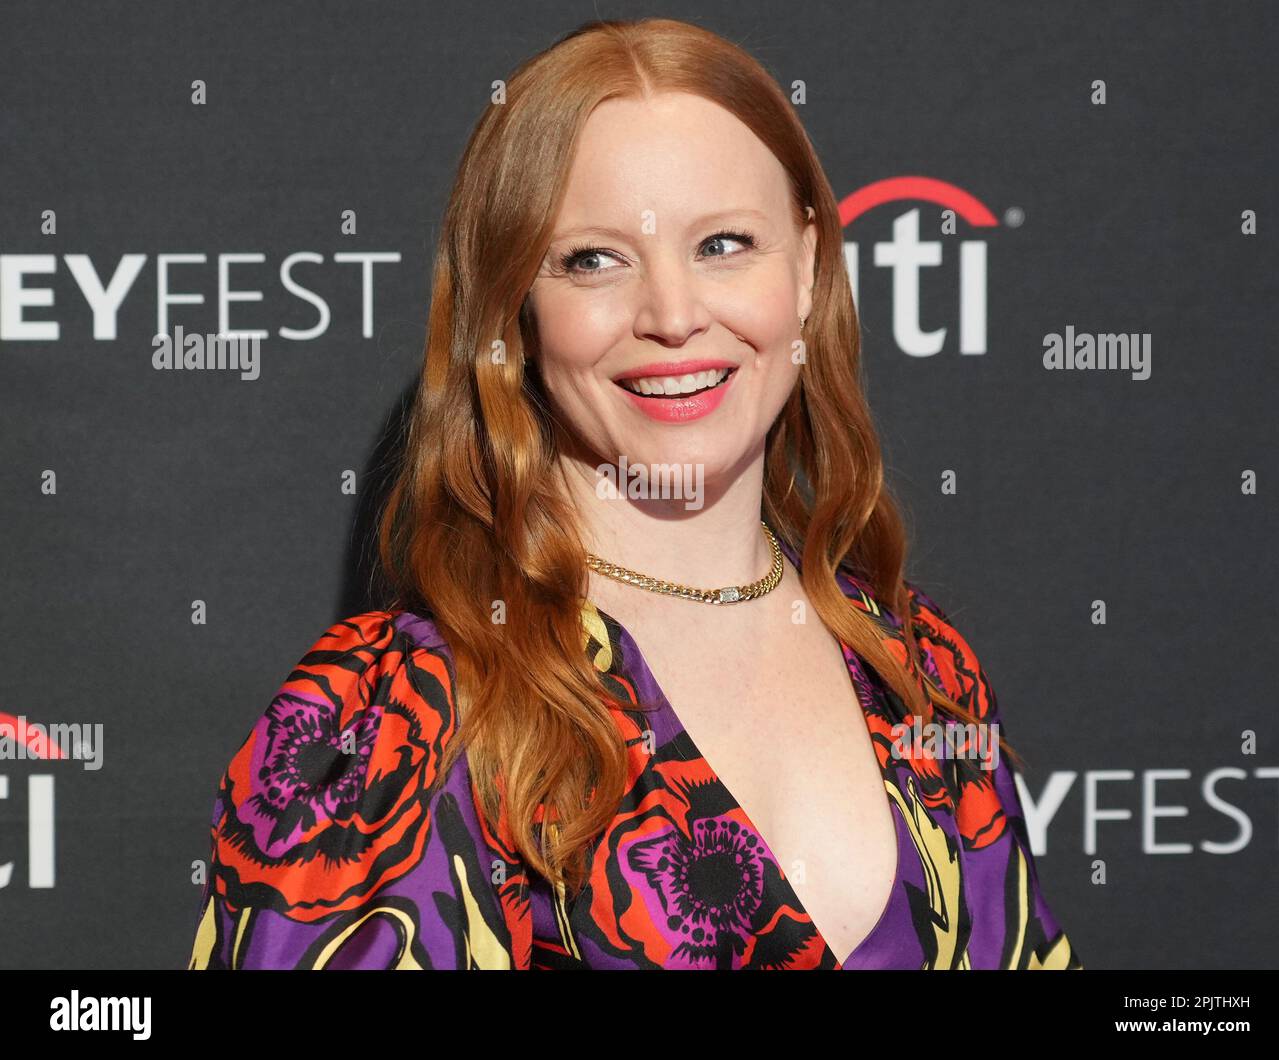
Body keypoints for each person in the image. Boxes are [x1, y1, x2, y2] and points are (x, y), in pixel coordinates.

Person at [188, 16, 1080, 970]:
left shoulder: (920, 671)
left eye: (726, 243)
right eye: (594, 259)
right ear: (514, 309)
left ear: (812, 267)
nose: (674, 315)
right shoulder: (411, 716)